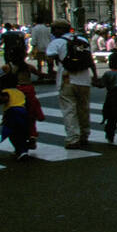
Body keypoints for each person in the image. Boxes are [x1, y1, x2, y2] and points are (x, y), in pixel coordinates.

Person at [48, 19, 98, 147]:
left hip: (67, 78)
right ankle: (84, 135)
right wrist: (95, 76)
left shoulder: (57, 42)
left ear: (60, 29)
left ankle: (73, 138)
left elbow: (49, 57)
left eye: (54, 29)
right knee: (84, 109)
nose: (52, 31)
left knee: (69, 109)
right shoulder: (83, 40)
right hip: (84, 79)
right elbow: (90, 60)